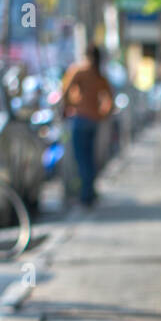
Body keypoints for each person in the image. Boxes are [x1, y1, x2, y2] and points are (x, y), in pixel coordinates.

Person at [59, 44, 114, 206]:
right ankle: (89, 191)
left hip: (80, 118)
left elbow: (64, 91)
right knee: (90, 158)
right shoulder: (99, 76)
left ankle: (85, 194)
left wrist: (71, 105)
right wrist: (101, 114)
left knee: (81, 158)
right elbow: (110, 100)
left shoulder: (79, 71)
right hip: (94, 121)